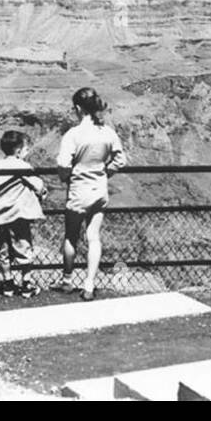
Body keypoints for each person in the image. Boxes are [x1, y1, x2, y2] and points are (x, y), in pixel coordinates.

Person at [56, 87, 126, 301]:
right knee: (93, 237)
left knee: (71, 236)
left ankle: (67, 280)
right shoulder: (107, 132)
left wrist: (66, 177)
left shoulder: (73, 134)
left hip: (79, 189)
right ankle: (89, 283)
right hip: (99, 188)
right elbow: (120, 159)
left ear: (78, 108)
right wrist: (106, 172)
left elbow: (63, 163)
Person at [0, 130, 47, 298]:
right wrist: (42, 193)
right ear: (19, 151)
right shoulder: (23, 166)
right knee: (24, 247)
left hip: (0, 215)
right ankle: (26, 284)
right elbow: (38, 185)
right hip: (19, 215)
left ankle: (8, 283)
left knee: (3, 249)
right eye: (26, 149)